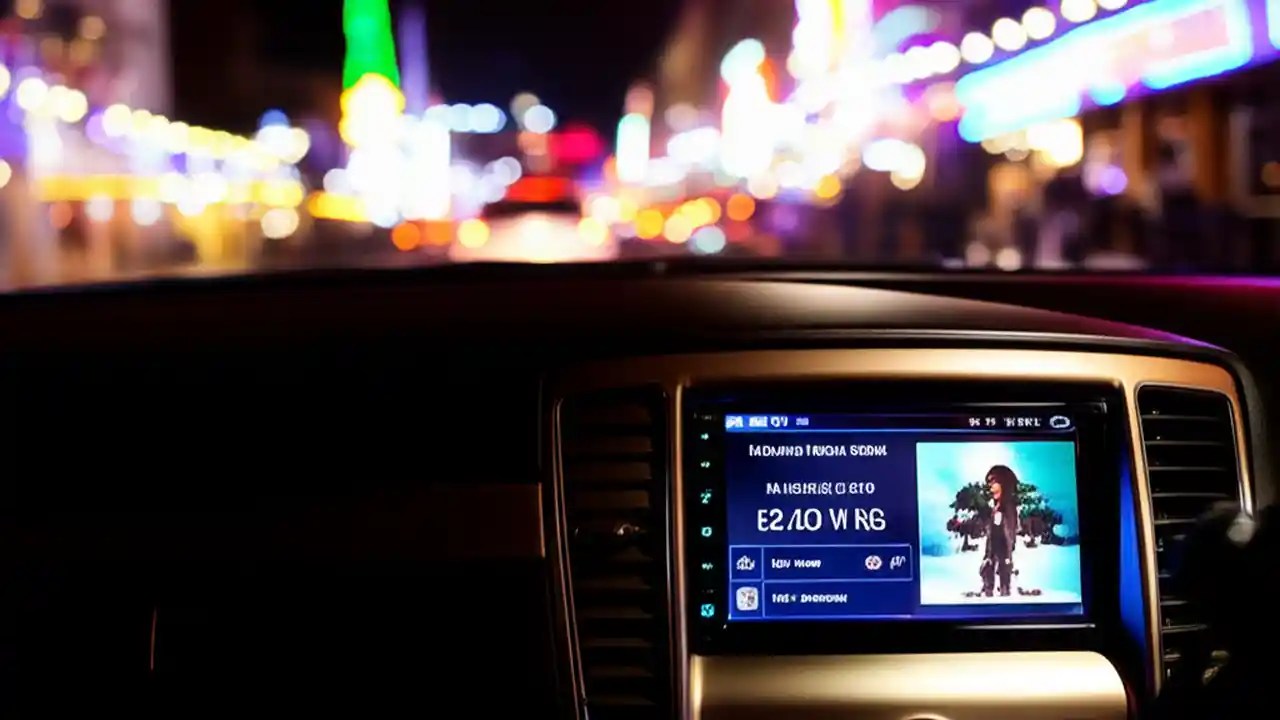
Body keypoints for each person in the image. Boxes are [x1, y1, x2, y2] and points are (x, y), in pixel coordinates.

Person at [981, 465, 1020, 597]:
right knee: (988, 569)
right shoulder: (996, 508)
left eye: (993, 482)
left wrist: (1008, 555)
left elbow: (1009, 533)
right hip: (994, 549)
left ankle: (1003, 593)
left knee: (1003, 573)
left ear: (1004, 484)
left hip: (1003, 551)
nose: (990, 487)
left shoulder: (1008, 507)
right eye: (989, 483)